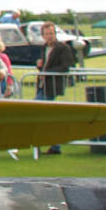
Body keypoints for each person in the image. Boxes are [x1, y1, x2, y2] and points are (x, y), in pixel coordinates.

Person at [36, 21, 75, 155]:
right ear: (43, 35)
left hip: (52, 86)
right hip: (42, 85)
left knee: (40, 113)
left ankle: (50, 145)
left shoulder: (63, 48)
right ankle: (53, 145)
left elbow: (66, 66)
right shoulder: (43, 48)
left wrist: (48, 72)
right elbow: (44, 66)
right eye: (47, 34)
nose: (49, 36)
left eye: (51, 33)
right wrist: (40, 67)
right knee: (44, 116)